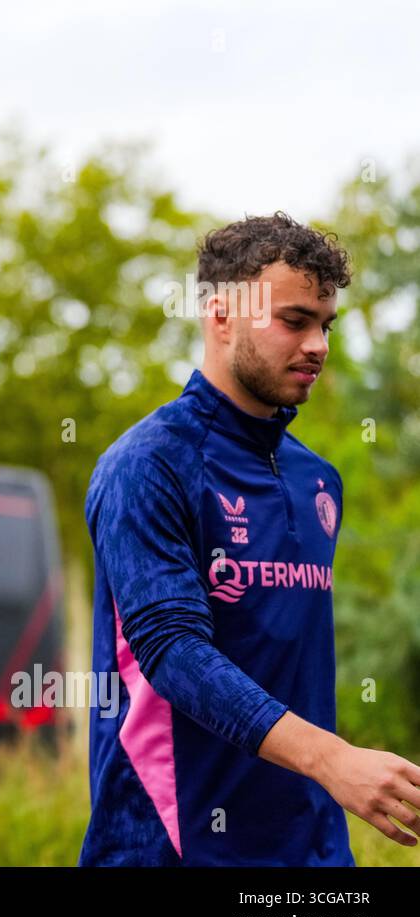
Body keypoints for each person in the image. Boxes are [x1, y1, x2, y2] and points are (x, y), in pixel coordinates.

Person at [81, 212, 420, 865]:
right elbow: (175, 652)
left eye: (326, 324)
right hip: (172, 846)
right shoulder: (148, 464)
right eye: (295, 321)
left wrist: (329, 778)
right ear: (220, 317)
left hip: (313, 849)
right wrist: (334, 760)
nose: (318, 344)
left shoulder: (317, 479)